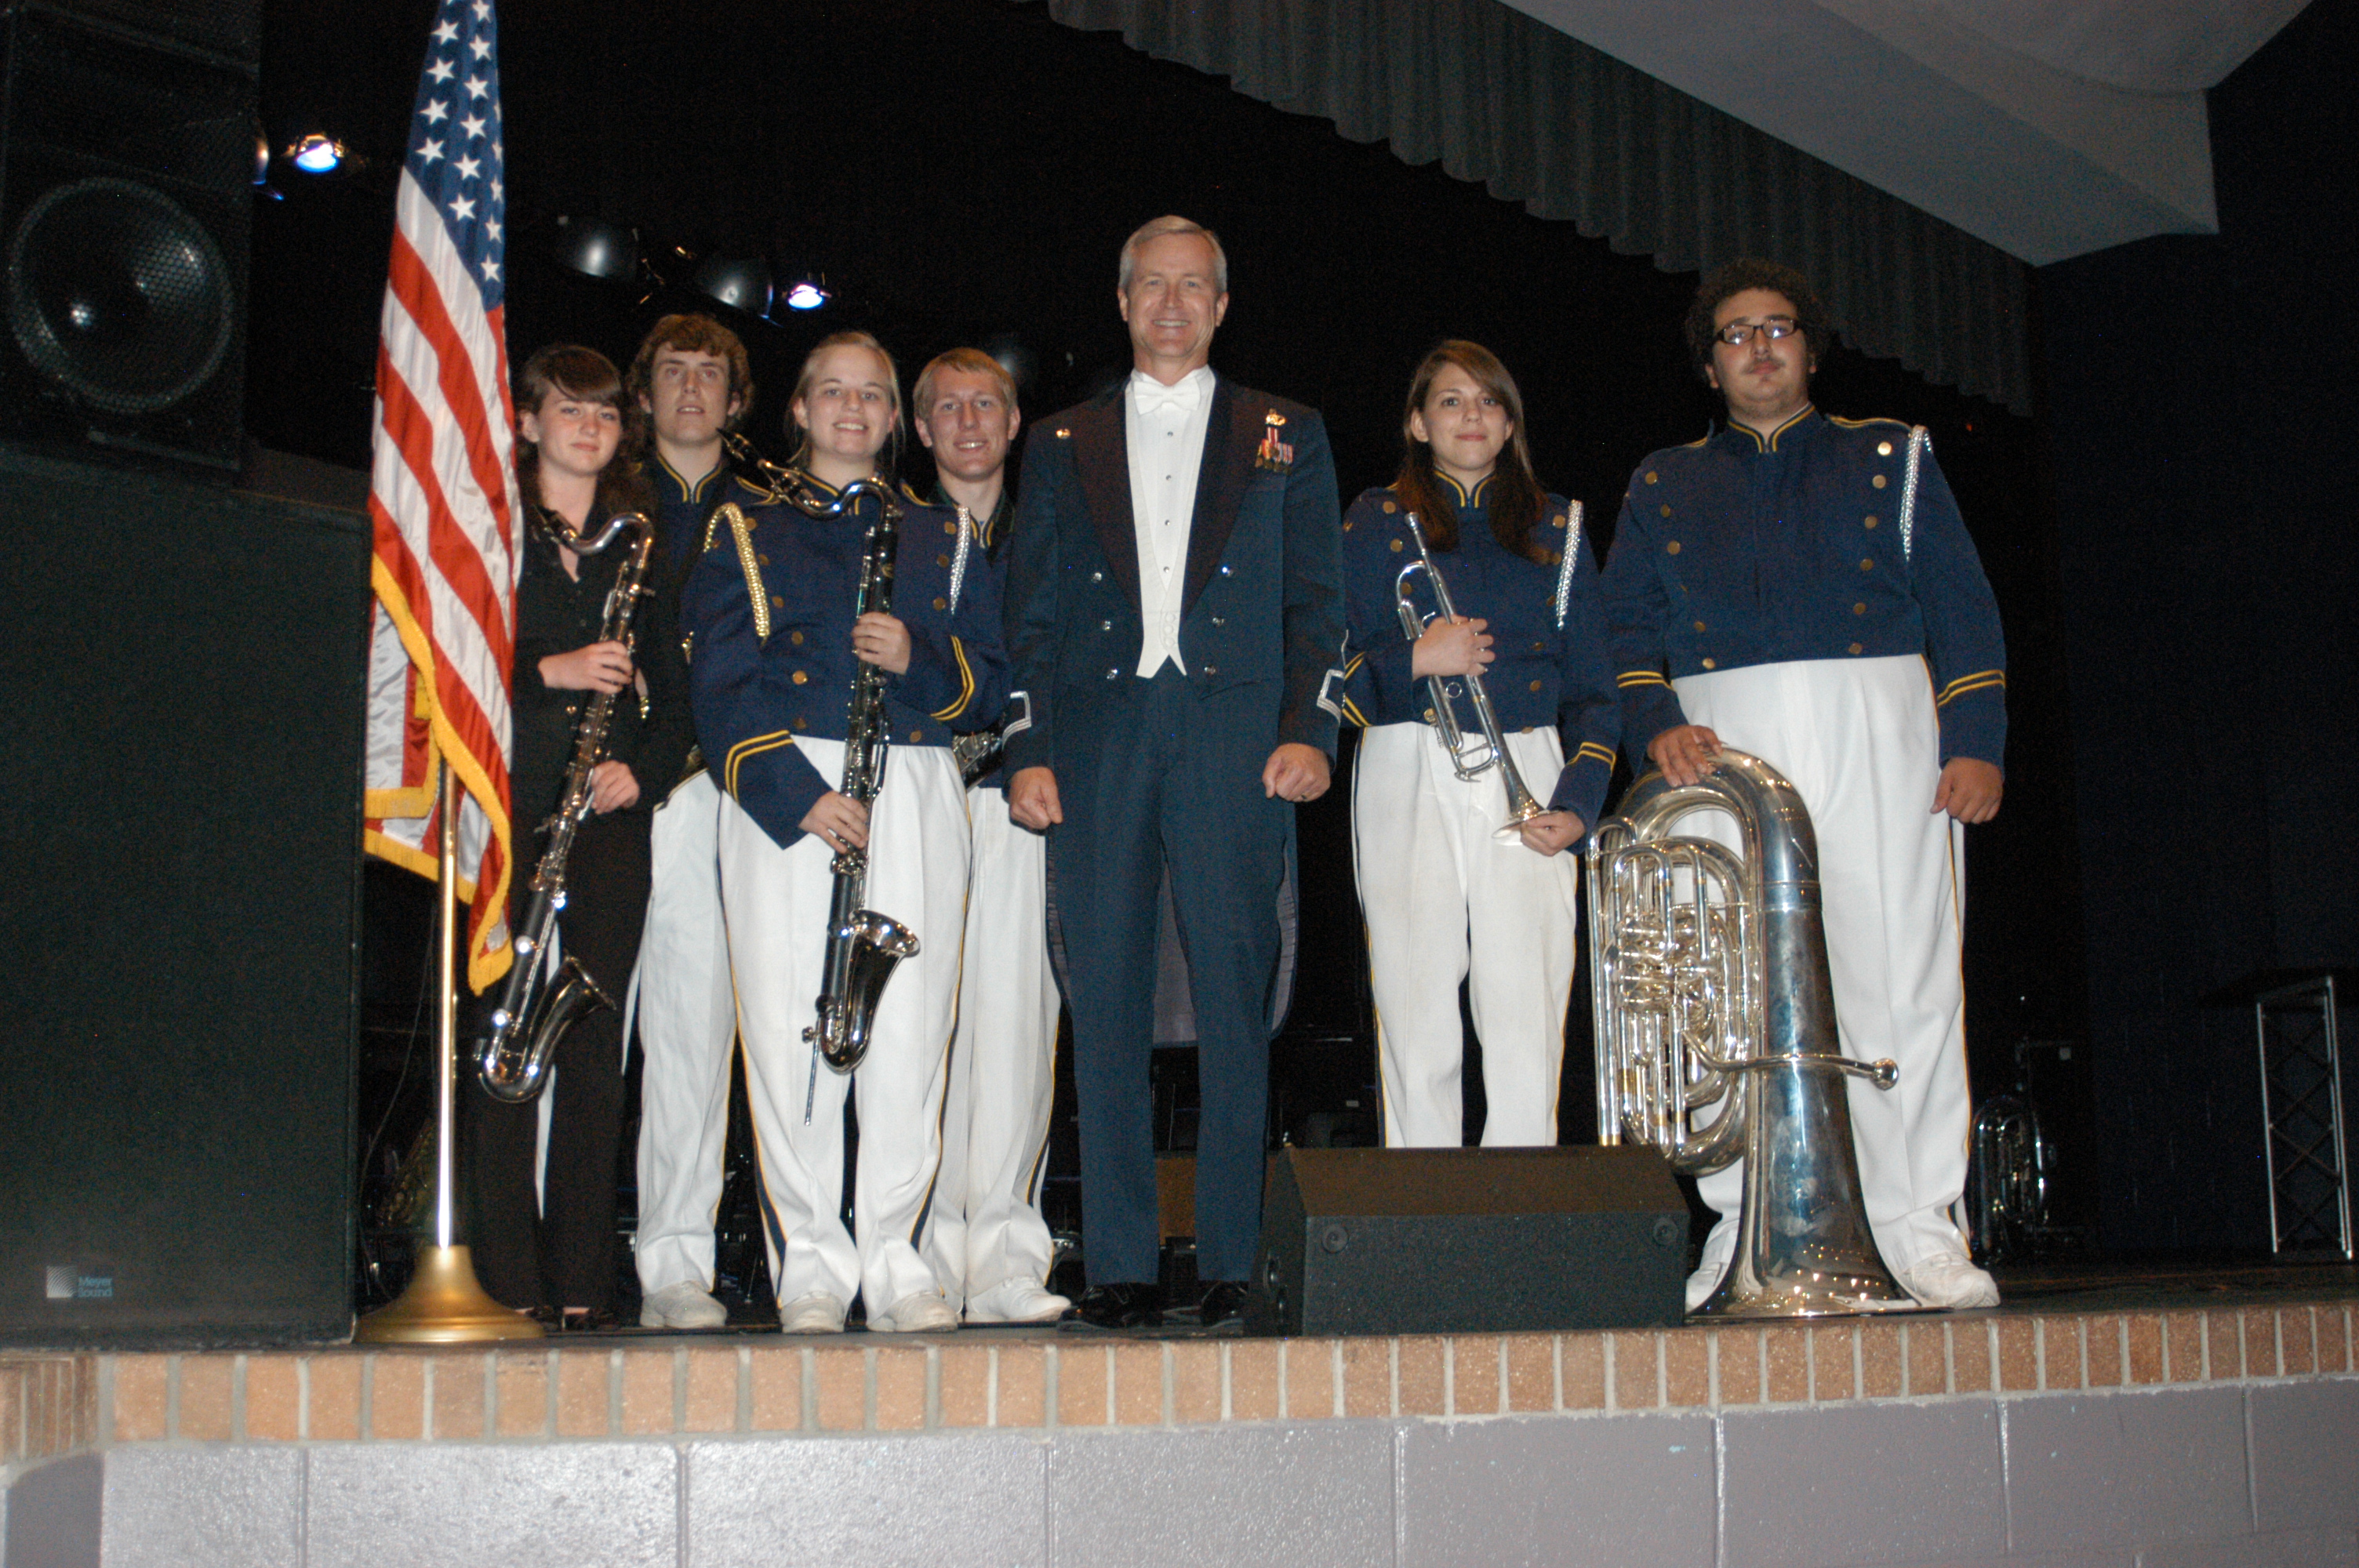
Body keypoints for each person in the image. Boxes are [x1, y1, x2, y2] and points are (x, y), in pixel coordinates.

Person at [1599, 259, 2007, 1311]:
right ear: (1708, 363)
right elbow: (1625, 631)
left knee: (1897, 977)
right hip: (1721, 737)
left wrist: (1977, 740)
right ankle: (1744, 1231)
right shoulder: (1659, 479)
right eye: (1736, 335)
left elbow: (1962, 607)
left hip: (1881, 724)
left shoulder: (1896, 455)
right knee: (1723, 994)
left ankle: (1919, 1228)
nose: (1760, 348)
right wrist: (1658, 726)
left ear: (1811, 350)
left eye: (1779, 329)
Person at [1005, 216, 1344, 1330]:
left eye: (1194, 285)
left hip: (1236, 739)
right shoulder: (1058, 443)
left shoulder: (1288, 431)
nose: (1172, 303)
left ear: (1223, 304)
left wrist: (1310, 730)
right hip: (1100, 735)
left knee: (1237, 998)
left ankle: (1233, 1257)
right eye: (1152, 283)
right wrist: (1032, 748)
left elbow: (1318, 604)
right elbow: (1034, 613)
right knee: (1102, 994)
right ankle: (1117, 1261)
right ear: (1120, 298)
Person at [683, 330, 1007, 1333]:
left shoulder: (941, 531)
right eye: (833, 391)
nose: (853, 409)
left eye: (871, 393)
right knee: (792, 1024)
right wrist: (792, 794)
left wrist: (917, 654)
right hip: (792, 788)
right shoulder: (742, 523)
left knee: (908, 1023)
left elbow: (989, 684)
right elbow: (718, 682)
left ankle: (896, 1252)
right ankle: (812, 1262)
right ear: (798, 408)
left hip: (910, 781)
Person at [1336, 342, 1619, 1148]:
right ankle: (1423, 1208)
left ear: (1509, 423)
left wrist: (1576, 805)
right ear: (1417, 422)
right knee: (1414, 993)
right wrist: (1414, 659)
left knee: (1525, 998)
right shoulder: (1371, 519)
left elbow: (1597, 692)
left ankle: (1520, 1206)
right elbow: (1325, 670)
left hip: (1527, 761)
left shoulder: (1556, 524)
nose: (1470, 416)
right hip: (1404, 759)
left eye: (1488, 402)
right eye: (1451, 401)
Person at [467, 344, 689, 1327]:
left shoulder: (641, 544)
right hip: (509, 805)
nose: (588, 427)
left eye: (604, 413)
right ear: (526, 423)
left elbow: (677, 699)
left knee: (596, 1044)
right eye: (568, 410)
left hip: (606, 818)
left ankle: (581, 1284)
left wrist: (641, 764)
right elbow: (454, 677)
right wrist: (549, 673)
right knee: (505, 1034)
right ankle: (501, 1277)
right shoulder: (485, 535)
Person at [907, 348, 1070, 1324]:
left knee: (1013, 1023)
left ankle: (1006, 1253)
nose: (968, 422)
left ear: (1015, 424)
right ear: (919, 429)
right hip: (918, 788)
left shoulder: (1059, 530)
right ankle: (917, 1248)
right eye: (947, 408)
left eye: (987, 406)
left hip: (1022, 795)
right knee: (918, 1030)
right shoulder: (889, 533)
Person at [624, 315, 772, 1330]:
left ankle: (675, 1262)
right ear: (643, 392)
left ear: (737, 398)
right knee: (576, 1034)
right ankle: (544, 1254)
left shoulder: (768, 508)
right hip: (600, 789)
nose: (690, 390)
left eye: (708, 375)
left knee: (691, 1036)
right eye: (672, 373)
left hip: (711, 795)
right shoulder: (601, 494)